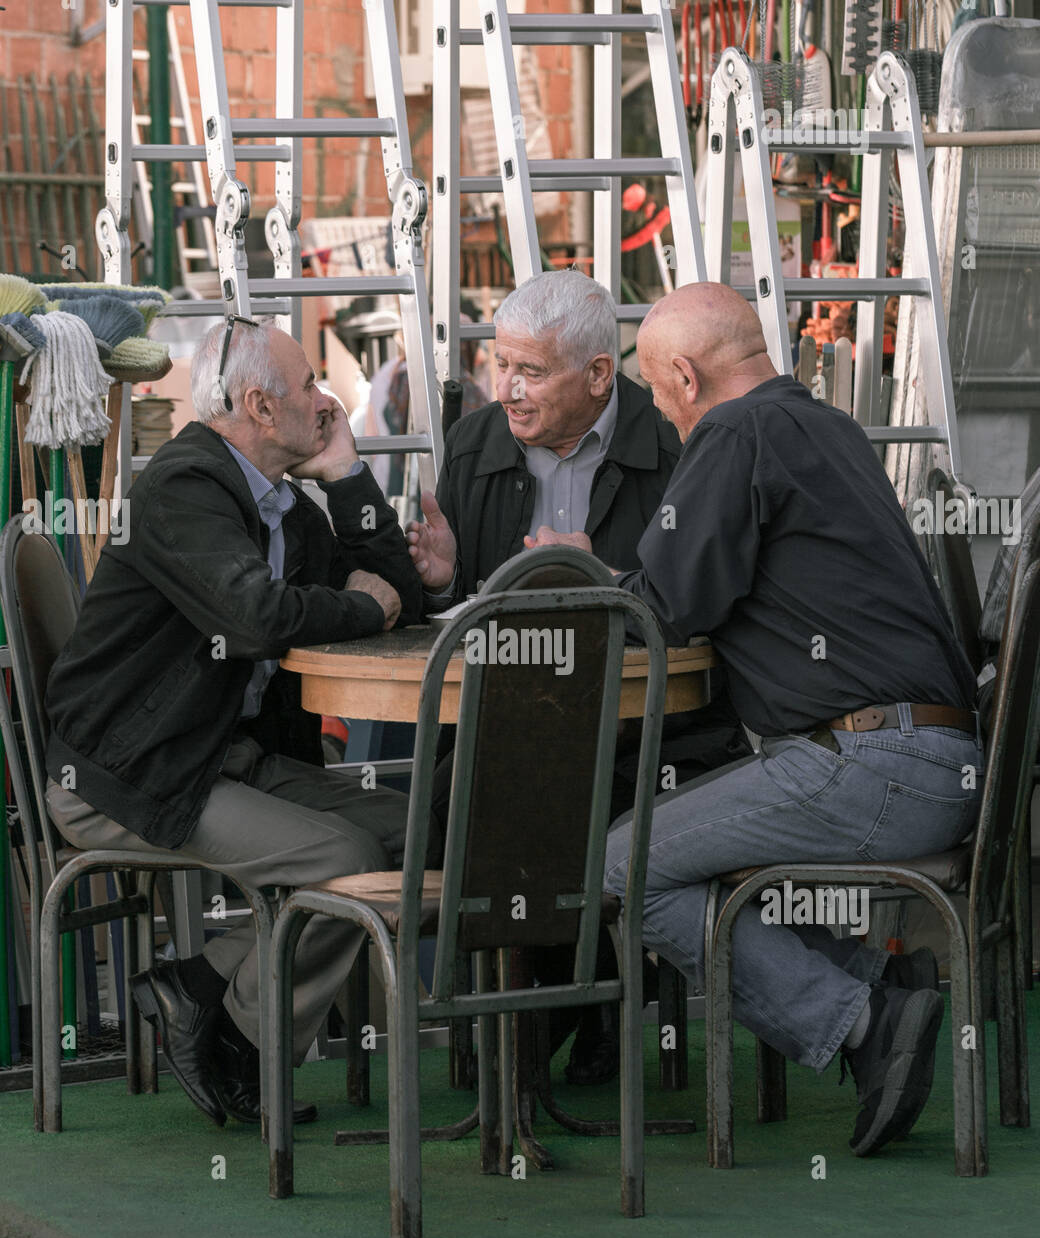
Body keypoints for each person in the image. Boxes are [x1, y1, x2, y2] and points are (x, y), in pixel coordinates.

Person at [529, 282, 983, 1156]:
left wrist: (580, 572)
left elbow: (671, 608)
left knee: (624, 863)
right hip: (926, 756)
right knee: (685, 843)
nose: (662, 420)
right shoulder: (827, 426)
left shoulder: (735, 431)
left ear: (687, 378)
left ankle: (862, 1020)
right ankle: (885, 987)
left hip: (870, 764)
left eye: (659, 398)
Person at [44, 318, 431, 1128]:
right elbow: (258, 617)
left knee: (422, 832)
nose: (326, 402)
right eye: (308, 388)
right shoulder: (186, 486)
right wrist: (364, 602)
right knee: (346, 858)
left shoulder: (289, 507)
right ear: (258, 403)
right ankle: (246, 1044)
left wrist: (351, 478)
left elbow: (400, 601)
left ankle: (202, 988)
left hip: (220, 756)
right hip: (128, 771)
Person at [406, 270, 752, 1085]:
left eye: (530, 371)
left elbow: (704, 605)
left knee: (562, 805)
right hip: (506, 724)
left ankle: (533, 1037)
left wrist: (609, 584)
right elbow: (459, 615)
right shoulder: (475, 444)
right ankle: (533, 1022)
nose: (507, 390)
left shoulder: (675, 443)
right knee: (446, 801)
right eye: (499, 365)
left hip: (654, 731)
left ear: (600, 375)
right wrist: (443, 582)